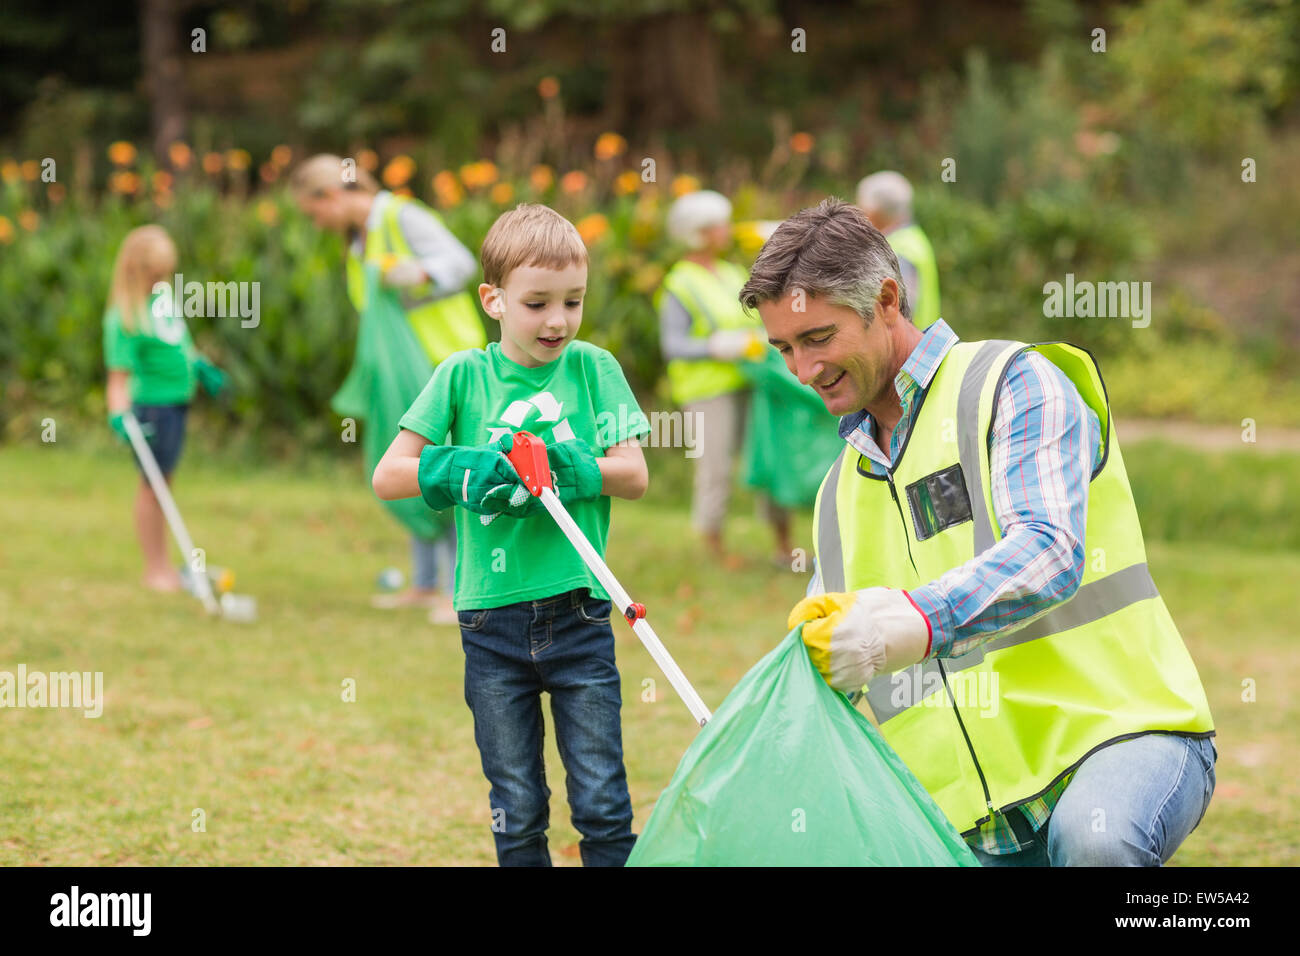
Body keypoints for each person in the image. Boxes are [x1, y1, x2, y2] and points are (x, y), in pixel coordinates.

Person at [740, 198, 1216, 866]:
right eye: (784, 349)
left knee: (1096, 842)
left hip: (1116, 738)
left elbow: (1048, 549)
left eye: (818, 338)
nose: (803, 371)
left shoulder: (1013, 384)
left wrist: (911, 621)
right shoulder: (836, 495)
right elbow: (827, 662)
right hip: (970, 819)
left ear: (885, 298)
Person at [372, 203, 651, 866]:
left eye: (573, 301)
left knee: (604, 807)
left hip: (579, 614)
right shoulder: (462, 375)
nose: (557, 320)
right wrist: (456, 468)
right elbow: (389, 475)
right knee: (518, 809)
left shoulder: (593, 369)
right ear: (493, 300)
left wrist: (571, 466)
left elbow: (634, 475)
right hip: (489, 621)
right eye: (537, 303)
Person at [290, 154, 485, 623]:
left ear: (333, 195)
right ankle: (423, 582)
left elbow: (462, 263)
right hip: (399, 375)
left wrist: (419, 274)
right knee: (406, 468)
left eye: (315, 213)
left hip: (443, 363)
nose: (316, 224)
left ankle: (456, 588)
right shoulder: (358, 238)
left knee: (446, 469)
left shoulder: (403, 216)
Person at [103, 224, 229, 591]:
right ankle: (155, 568)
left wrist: (199, 364)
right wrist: (119, 417)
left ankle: (167, 567)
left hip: (177, 405)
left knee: (164, 484)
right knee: (152, 487)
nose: (161, 280)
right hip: (152, 411)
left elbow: (177, 342)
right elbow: (118, 381)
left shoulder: (162, 298)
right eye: (154, 274)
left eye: (165, 274)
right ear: (133, 271)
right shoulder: (123, 318)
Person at [655, 189, 777, 567]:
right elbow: (672, 345)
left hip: (747, 381)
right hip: (706, 392)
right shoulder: (680, 283)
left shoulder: (729, 273)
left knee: (766, 460)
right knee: (715, 469)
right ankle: (712, 549)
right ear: (699, 232)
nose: (728, 229)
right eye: (719, 225)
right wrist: (716, 347)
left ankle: (780, 544)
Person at [856, 171, 941, 331]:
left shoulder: (898, 249)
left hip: (910, 351)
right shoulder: (914, 238)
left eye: (862, 207)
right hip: (924, 342)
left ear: (875, 211)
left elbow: (902, 309)